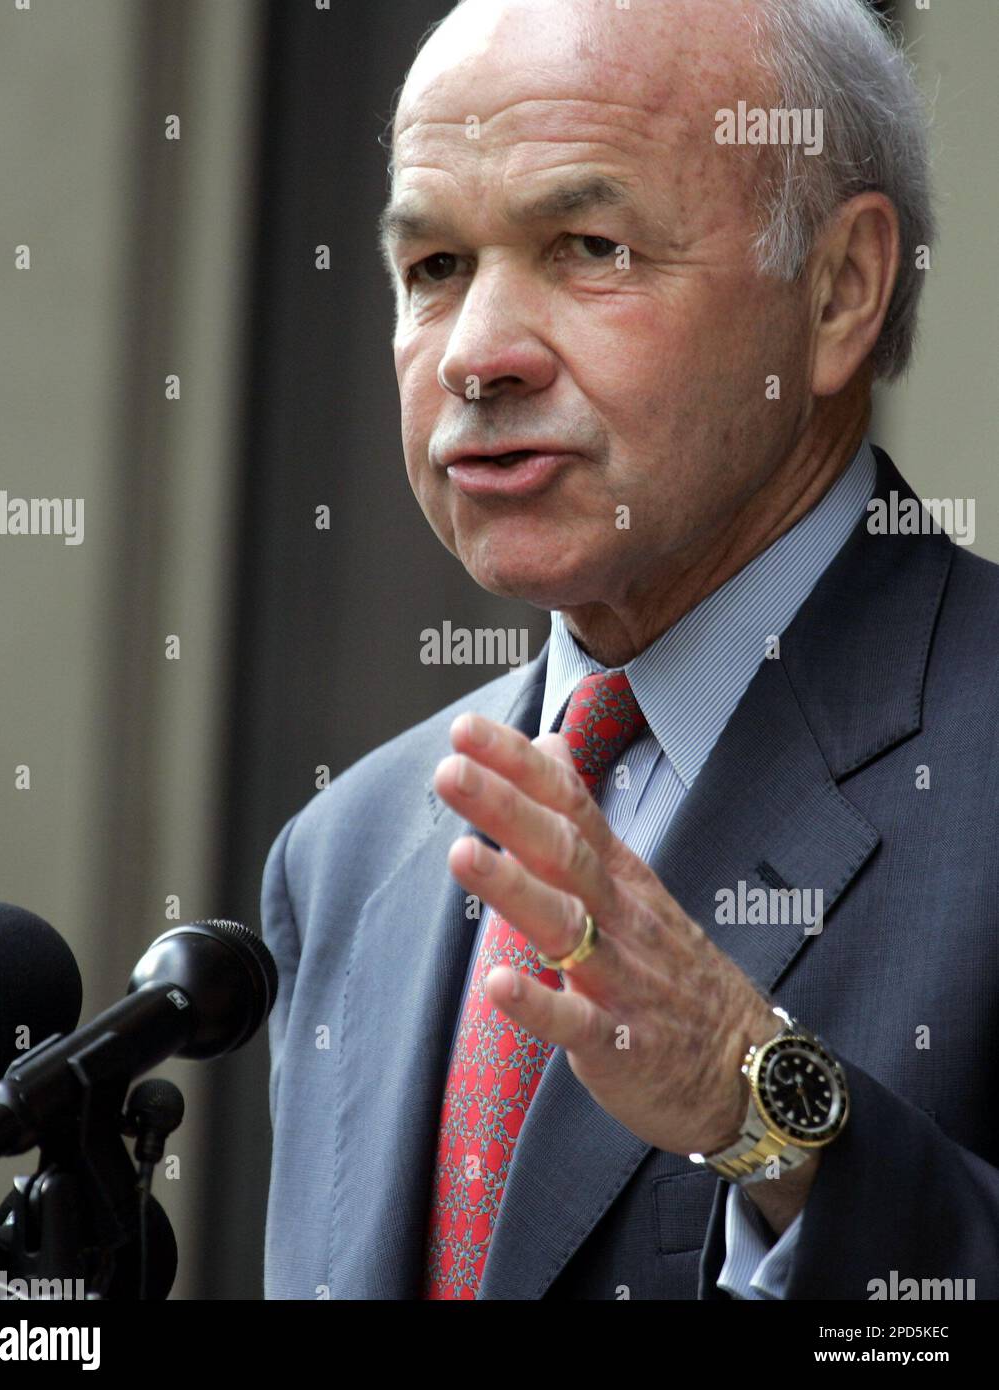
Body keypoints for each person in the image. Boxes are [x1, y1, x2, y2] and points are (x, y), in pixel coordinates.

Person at [261, 0, 999, 1300]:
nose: (478, 355)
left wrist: (759, 1104)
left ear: (836, 291)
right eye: (431, 268)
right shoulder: (347, 852)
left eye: (585, 247)